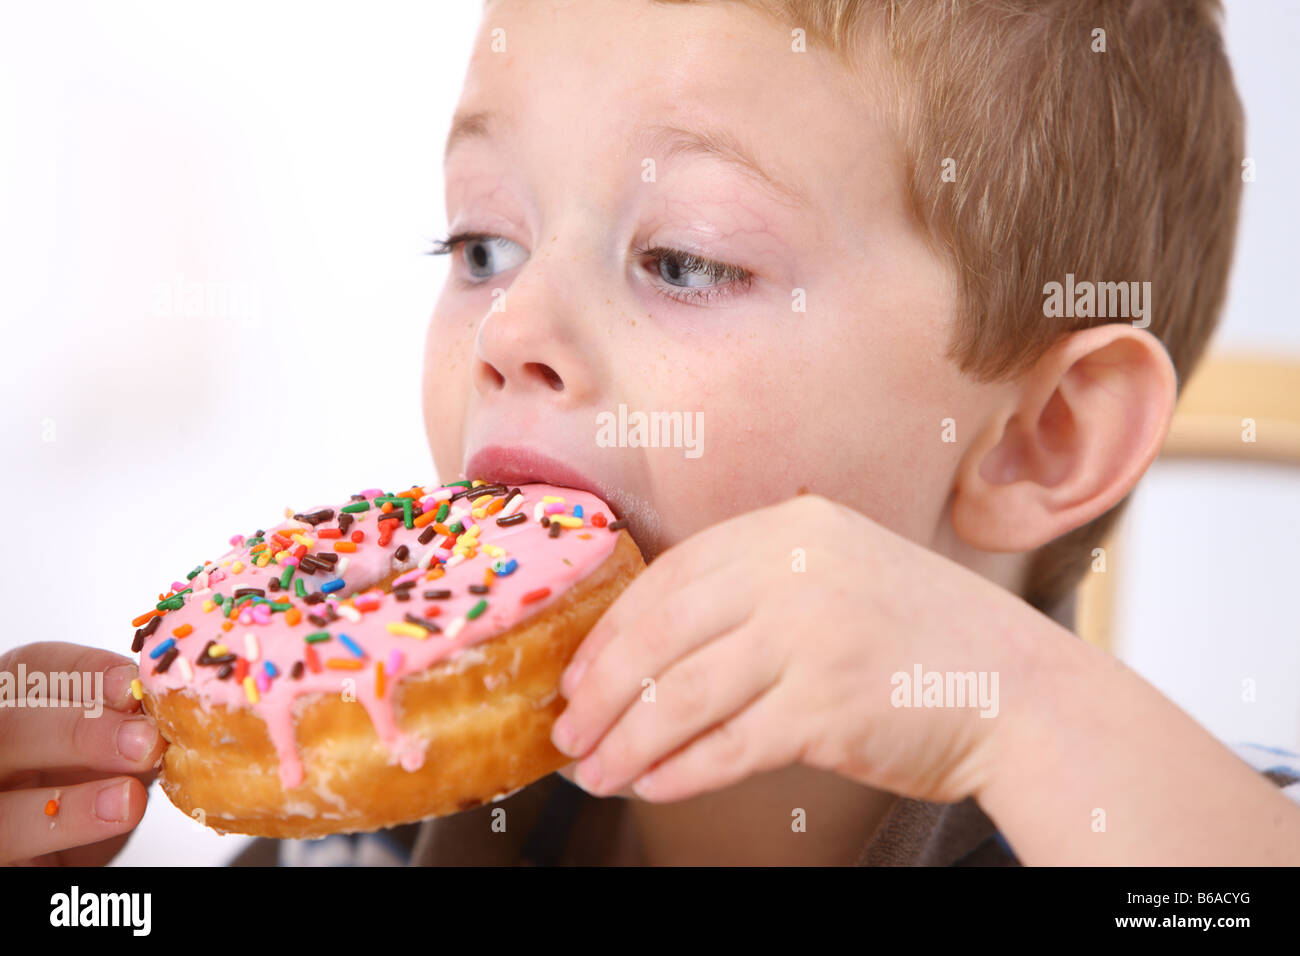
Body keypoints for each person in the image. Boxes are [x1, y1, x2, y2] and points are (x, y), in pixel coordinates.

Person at [6, 0, 1300, 866]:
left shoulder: (1172, 825)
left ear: (1040, 438)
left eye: (682, 260)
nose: (515, 325)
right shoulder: (362, 832)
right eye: (482, 244)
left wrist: (1019, 707)